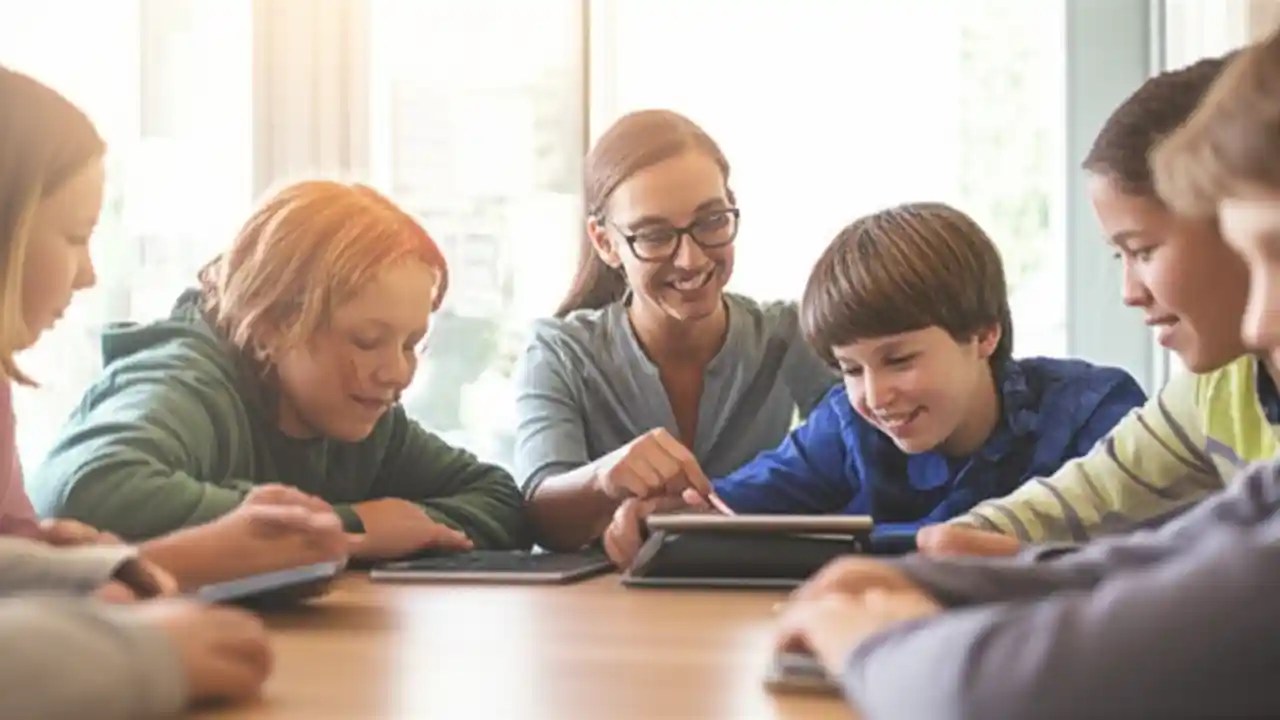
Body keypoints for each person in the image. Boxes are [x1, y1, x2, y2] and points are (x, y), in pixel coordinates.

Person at [770, 42, 1280, 720]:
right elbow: (1172, 554)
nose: (1258, 321)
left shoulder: (1091, 402)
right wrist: (931, 580)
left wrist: (868, 639)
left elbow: (993, 694)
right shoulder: (1213, 401)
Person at [601, 202, 1146, 566]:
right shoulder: (846, 426)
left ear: (984, 335)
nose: (877, 397)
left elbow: (1147, 563)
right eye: (851, 369)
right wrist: (661, 520)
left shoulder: (1094, 415)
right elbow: (722, 514)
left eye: (899, 360)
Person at [28, 175, 531, 559]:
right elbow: (81, 491)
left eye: (412, 344)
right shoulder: (183, 381)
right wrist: (352, 527)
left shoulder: (363, 420)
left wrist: (390, 529)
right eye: (367, 341)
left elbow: (498, 500)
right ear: (270, 325)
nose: (396, 373)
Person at [0, 65, 275, 718]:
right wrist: (141, 652)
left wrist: (74, 570)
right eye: (74, 236)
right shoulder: (180, 378)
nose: (89, 274)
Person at [918, 53, 1267, 558]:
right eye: (1119, 255)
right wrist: (943, 550)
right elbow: (1083, 501)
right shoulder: (1214, 387)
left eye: (1143, 251)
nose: (1130, 292)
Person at [515, 109, 837, 552]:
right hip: (612, 589)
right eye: (653, 235)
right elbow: (537, 513)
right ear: (605, 243)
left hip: (757, 583)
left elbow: (862, 451)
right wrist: (603, 479)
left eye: (712, 221)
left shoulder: (788, 335)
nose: (691, 259)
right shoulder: (560, 350)